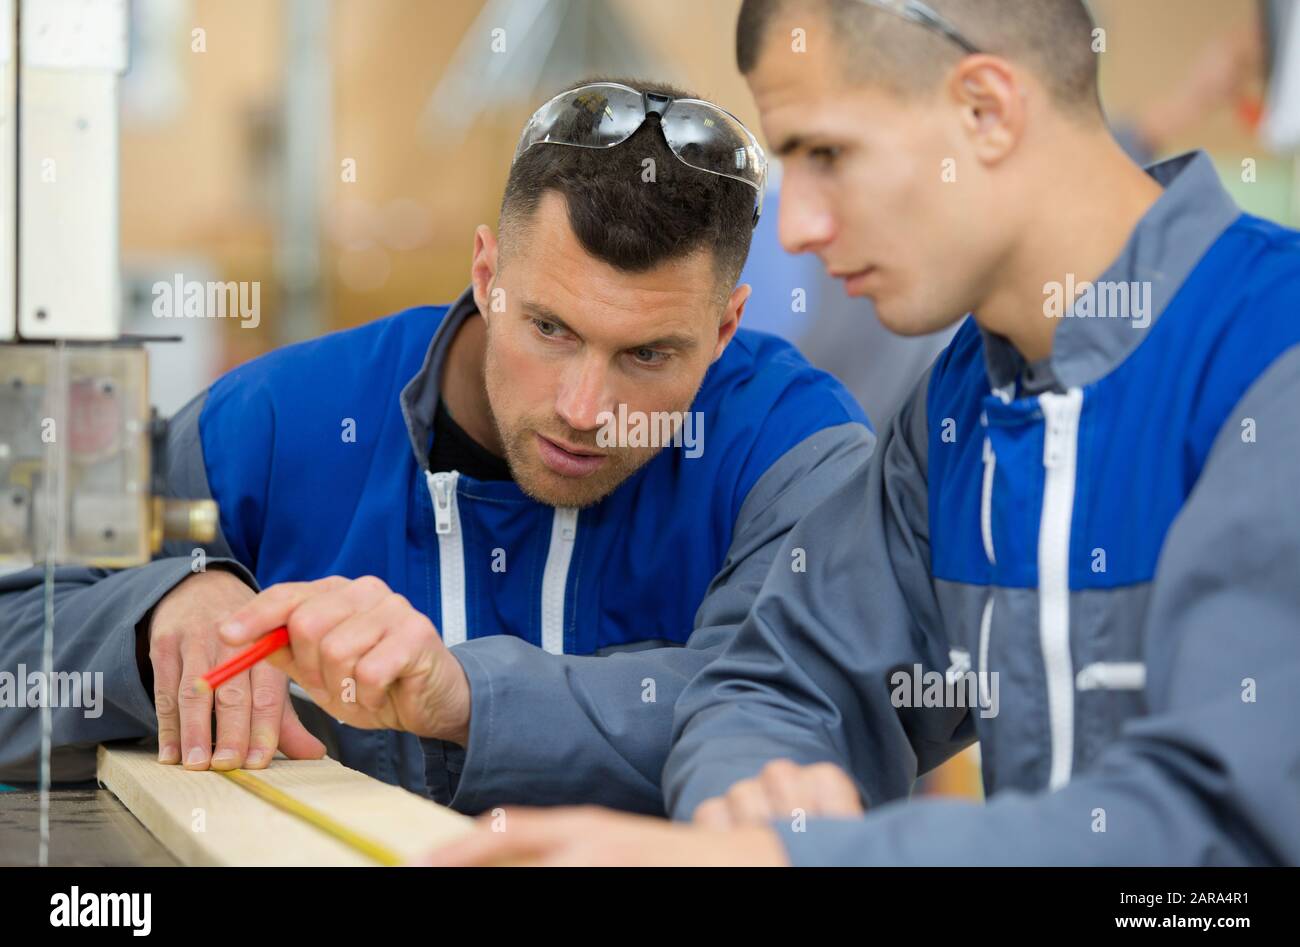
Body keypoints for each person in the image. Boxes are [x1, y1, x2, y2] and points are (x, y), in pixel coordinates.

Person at [426, 0, 1300, 865]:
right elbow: (776, 679)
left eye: (826, 154)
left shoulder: (1275, 354)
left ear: (985, 110)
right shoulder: (960, 408)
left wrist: (782, 861)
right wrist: (755, 789)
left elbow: (1225, 837)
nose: (798, 228)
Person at [0, 78, 872, 818]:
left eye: (648, 354)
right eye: (550, 328)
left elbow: (822, 717)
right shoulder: (280, 418)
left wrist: (465, 700)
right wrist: (158, 610)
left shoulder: (792, 446)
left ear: (725, 327)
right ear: (487, 276)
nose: (583, 409)